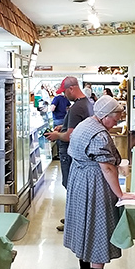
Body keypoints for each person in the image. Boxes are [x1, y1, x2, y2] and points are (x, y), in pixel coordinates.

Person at [63, 94, 135, 269]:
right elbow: (107, 168)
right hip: (94, 183)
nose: (118, 121)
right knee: (98, 226)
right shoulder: (100, 135)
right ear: (105, 116)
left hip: (78, 180)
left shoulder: (85, 125)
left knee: (83, 225)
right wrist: (120, 193)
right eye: (116, 117)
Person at [45, 76, 93, 230]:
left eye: (65, 92)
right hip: (79, 153)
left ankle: (74, 222)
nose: (64, 95)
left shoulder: (77, 108)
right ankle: (74, 218)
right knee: (74, 186)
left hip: (70, 153)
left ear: (71, 88)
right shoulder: (86, 103)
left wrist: (56, 135)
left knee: (71, 186)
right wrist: (63, 127)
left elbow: (70, 136)